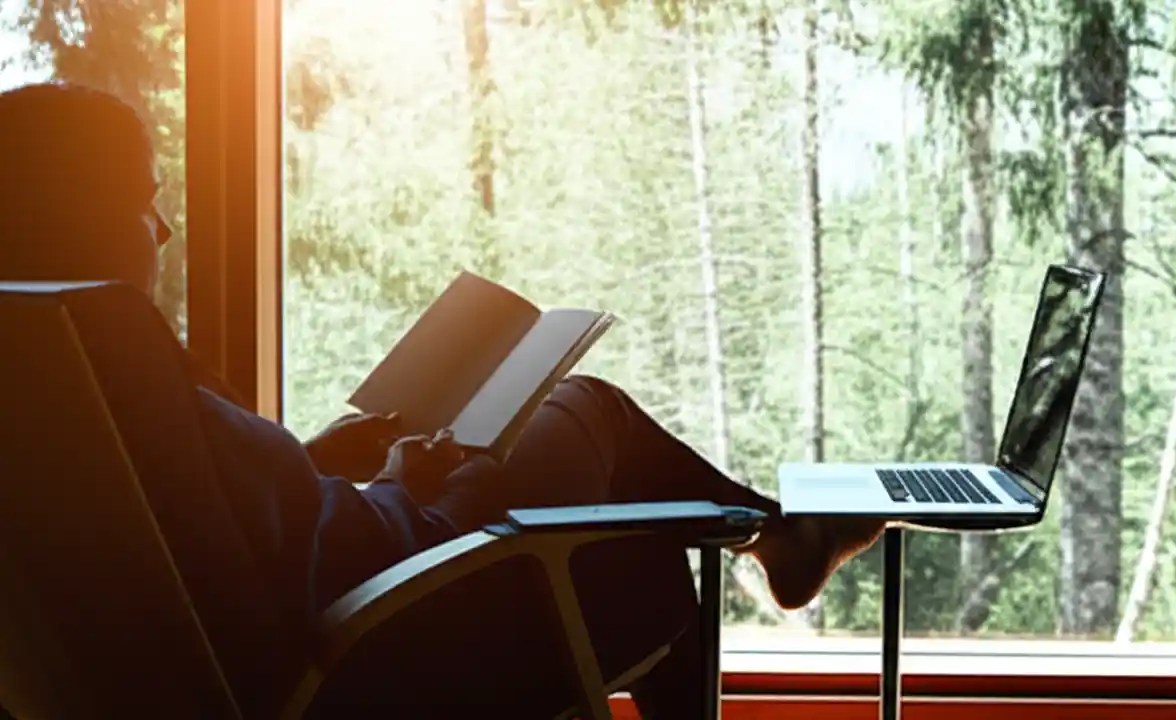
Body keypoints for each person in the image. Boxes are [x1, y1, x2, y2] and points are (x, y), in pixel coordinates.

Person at [0, 82, 884, 717]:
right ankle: (778, 534)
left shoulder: (46, 369)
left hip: (344, 594)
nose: (159, 229)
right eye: (144, 201)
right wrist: (397, 481)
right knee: (588, 404)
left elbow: (200, 525)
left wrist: (313, 462)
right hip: (386, 609)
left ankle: (781, 535)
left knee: (636, 554)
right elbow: (316, 559)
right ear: (77, 208)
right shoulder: (113, 339)